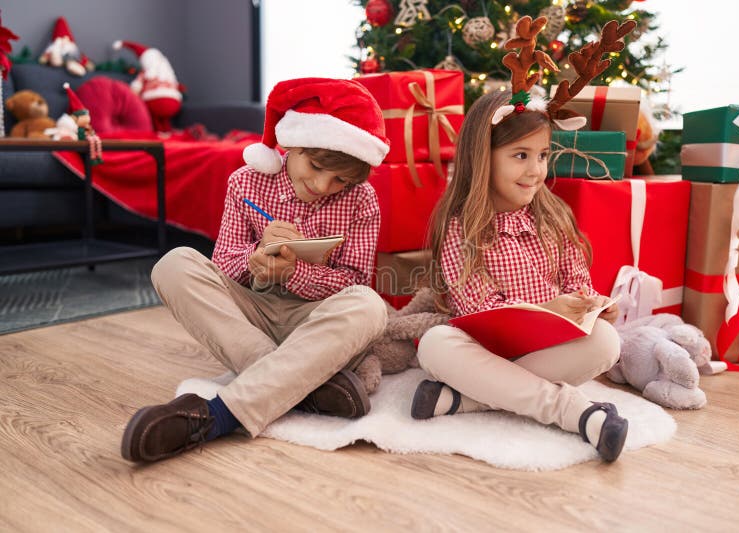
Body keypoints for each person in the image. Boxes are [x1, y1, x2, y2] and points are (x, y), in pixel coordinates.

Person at [121, 78, 391, 463]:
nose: (322, 185)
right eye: (315, 166)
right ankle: (305, 385)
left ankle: (216, 417)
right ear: (291, 145)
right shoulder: (246, 182)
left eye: (340, 180)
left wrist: (293, 273)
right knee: (174, 263)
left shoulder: (362, 199)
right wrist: (255, 258)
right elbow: (223, 263)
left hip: (314, 322)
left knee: (369, 306)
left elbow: (355, 281)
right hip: (253, 313)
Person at [410, 87, 629, 462]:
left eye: (543, 155)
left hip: (543, 354)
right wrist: (547, 307)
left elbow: (577, 282)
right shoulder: (461, 229)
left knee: (607, 342)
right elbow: (475, 307)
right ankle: (574, 411)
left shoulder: (554, 219)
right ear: (483, 159)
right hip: (482, 352)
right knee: (435, 343)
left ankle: (468, 400)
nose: (535, 170)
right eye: (520, 156)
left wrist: (591, 305)